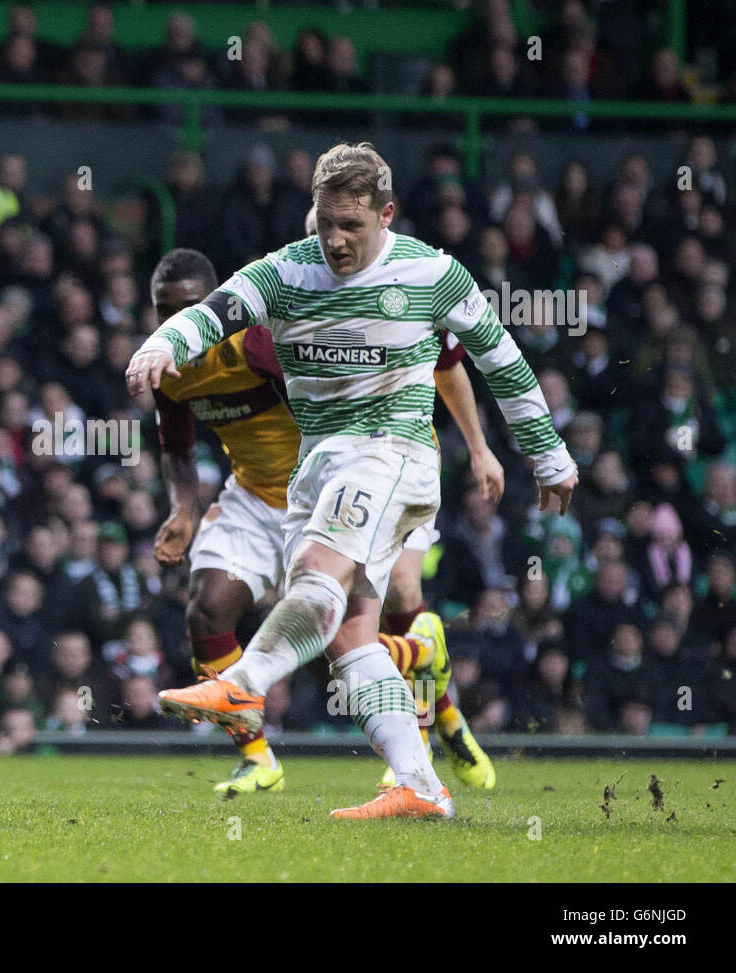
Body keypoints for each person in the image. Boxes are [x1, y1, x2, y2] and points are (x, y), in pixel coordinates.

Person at [128, 142, 577, 819]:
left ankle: (244, 683)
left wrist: (545, 454)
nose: (335, 239)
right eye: (326, 221)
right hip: (320, 465)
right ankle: (421, 784)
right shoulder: (287, 271)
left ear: (385, 215)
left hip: (393, 451)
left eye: (352, 225)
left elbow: (500, 359)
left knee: (316, 567)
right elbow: (215, 311)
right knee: (347, 640)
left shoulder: (431, 273)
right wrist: (163, 344)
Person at [148, 244, 498, 797]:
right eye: (164, 310)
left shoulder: (257, 342)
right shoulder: (166, 367)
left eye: (187, 306)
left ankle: (434, 715)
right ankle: (259, 759)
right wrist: (183, 510)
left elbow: (338, 408)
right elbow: (177, 447)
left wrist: (478, 449)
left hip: (328, 490)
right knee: (207, 607)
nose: (175, 320)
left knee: (335, 650)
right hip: (253, 497)